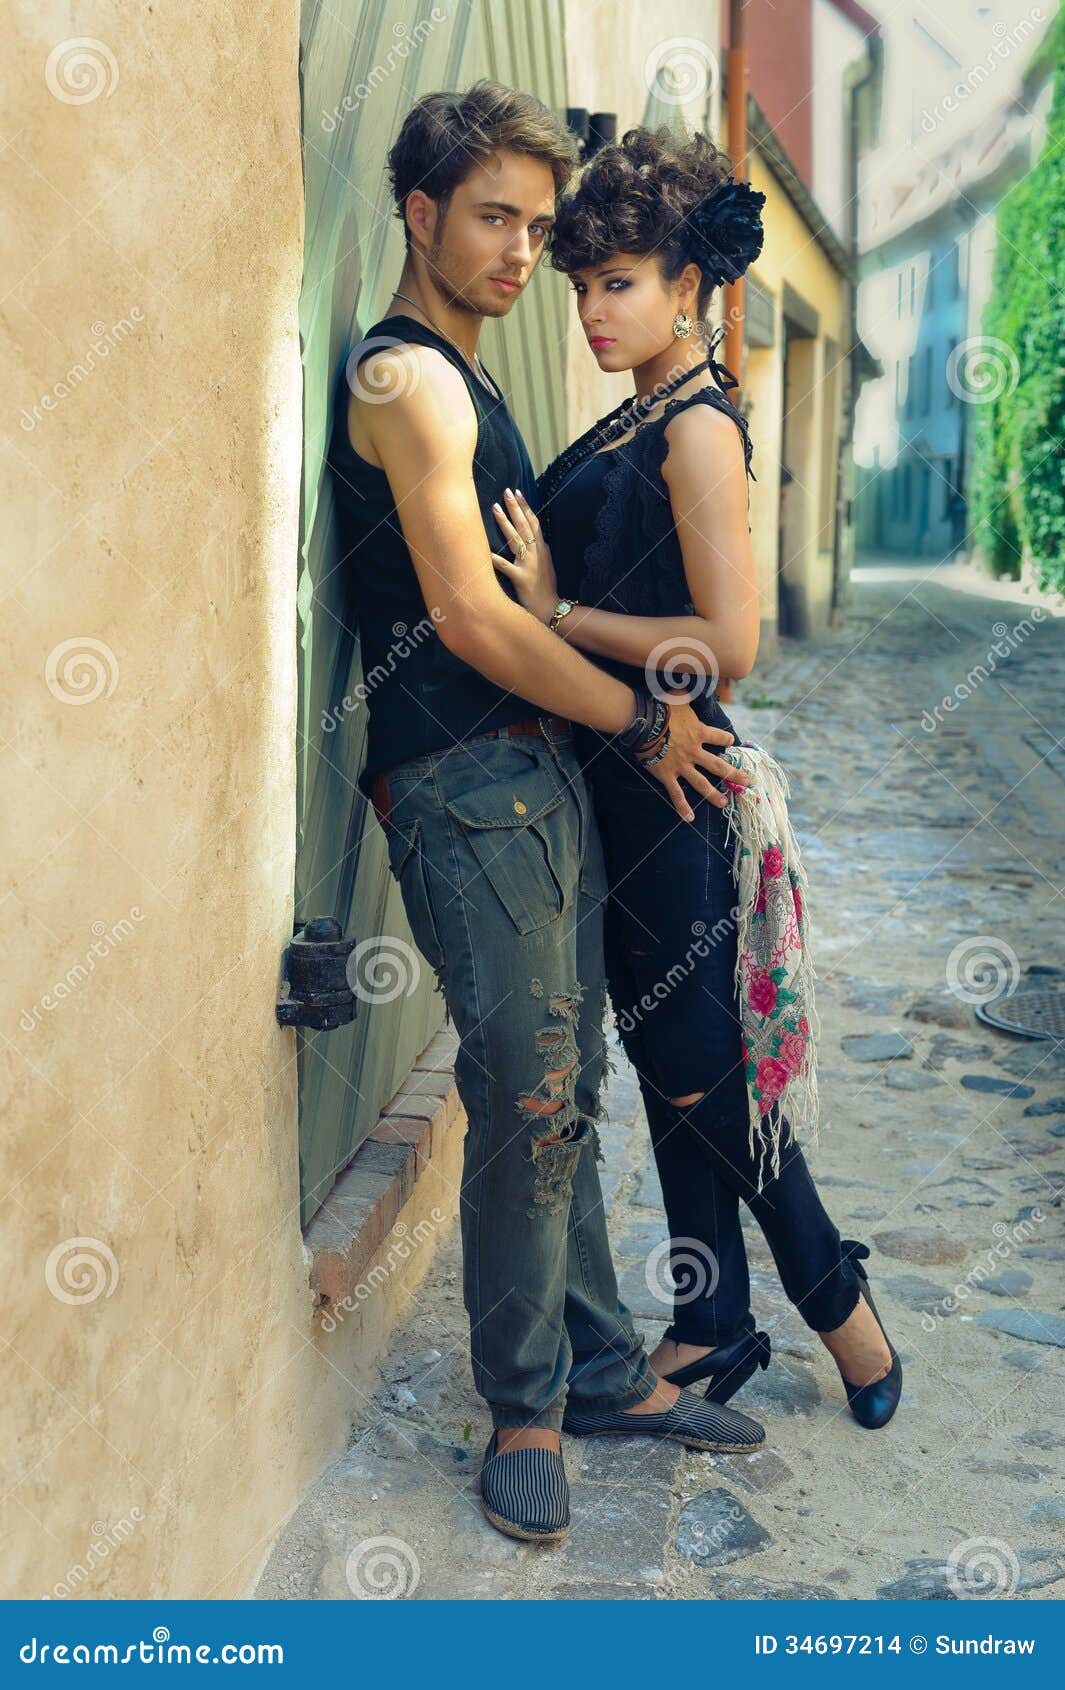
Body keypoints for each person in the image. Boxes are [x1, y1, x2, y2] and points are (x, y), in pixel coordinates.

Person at [327, 83, 765, 1548]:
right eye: (494, 218)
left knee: (565, 1084)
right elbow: (465, 614)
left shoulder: (470, 371)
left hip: (538, 774)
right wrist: (640, 718)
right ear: (419, 215)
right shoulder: (407, 379)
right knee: (523, 1087)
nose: (524, 252)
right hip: (462, 778)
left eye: (537, 225)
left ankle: (597, 1367)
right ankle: (524, 1409)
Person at [490, 125, 902, 1432]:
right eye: (580, 285)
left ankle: (838, 1304)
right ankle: (708, 1321)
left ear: (686, 285)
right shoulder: (640, 411)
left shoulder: (699, 429)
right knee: (672, 1060)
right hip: (625, 778)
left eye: (617, 282)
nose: (592, 310)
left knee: (698, 1074)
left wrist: (558, 616)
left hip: (679, 795)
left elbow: (728, 643)